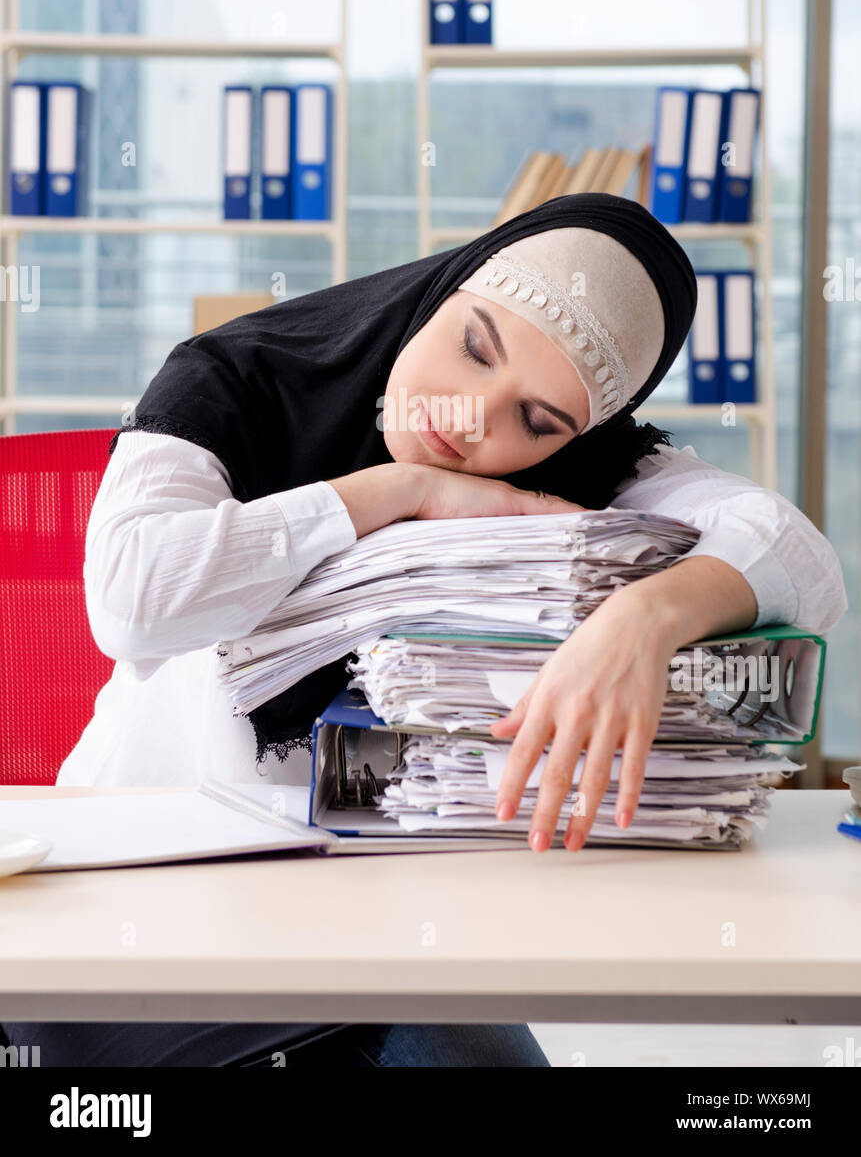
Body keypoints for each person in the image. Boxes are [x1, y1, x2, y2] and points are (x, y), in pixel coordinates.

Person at [4, 192, 845, 1068]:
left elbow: (802, 562)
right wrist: (397, 494)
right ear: (446, 285)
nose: (473, 418)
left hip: (380, 903)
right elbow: (133, 601)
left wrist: (644, 616)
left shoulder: (579, 466)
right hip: (136, 897)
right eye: (476, 345)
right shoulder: (237, 377)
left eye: (536, 419)